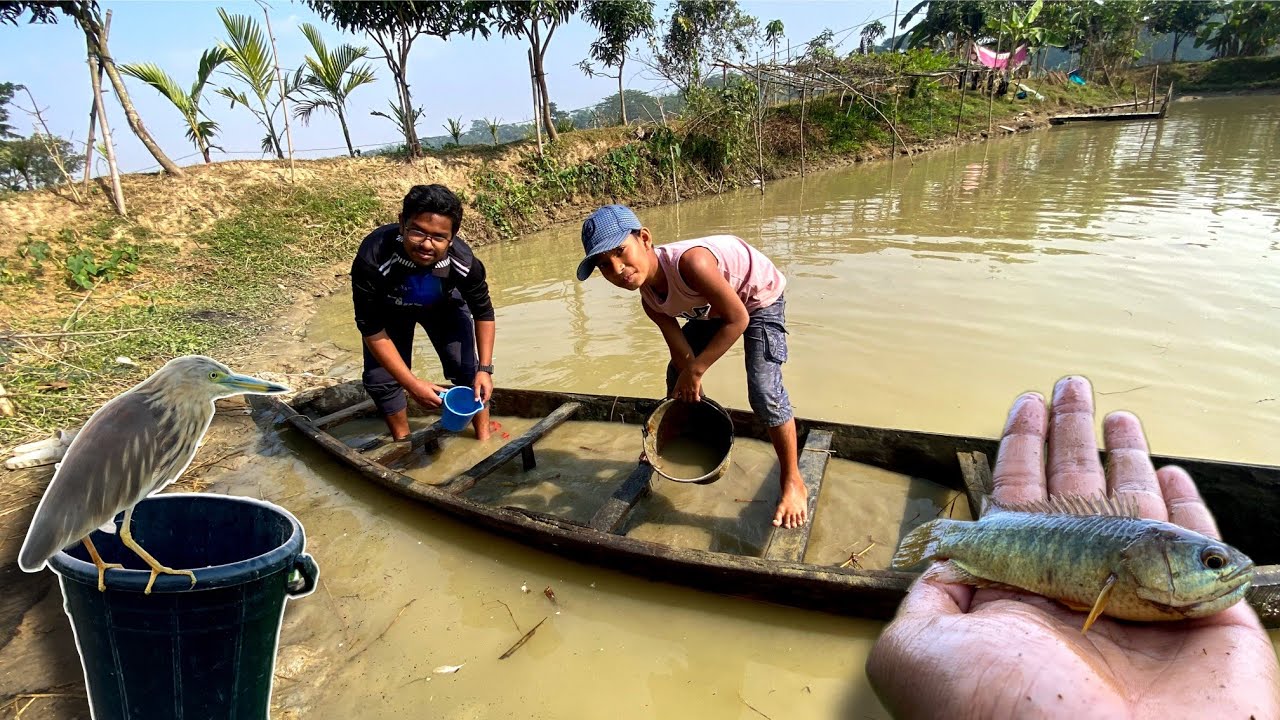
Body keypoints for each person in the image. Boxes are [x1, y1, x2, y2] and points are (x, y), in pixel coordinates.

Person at [866, 375, 1280, 719]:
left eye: (1212, 561)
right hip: (996, 536)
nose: (1223, 570)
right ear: (1154, 554)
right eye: (1211, 561)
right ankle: (950, 537)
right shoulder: (1132, 563)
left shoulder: (1139, 572)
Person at [574, 204, 807, 529]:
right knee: (677, 373)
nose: (617, 268)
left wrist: (697, 371)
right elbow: (682, 356)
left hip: (757, 299)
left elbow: (738, 318)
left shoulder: (691, 263)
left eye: (620, 251)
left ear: (644, 238)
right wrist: (689, 374)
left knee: (764, 391)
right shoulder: (651, 302)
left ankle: (793, 480)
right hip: (714, 308)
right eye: (604, 265)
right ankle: (675, 434)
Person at [351, 184, 496, 441]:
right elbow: (370, 328)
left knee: (468, 371)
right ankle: (403, 442)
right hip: (389, 311)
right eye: (417, 232)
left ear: (452, 237)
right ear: (402, 223)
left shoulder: (463, 261)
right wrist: (412, 384)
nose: (427, 244)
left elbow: (483, 312)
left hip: (443, 307)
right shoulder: (373, 258)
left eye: (439, 237)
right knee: (381, 379)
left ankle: (484, 438)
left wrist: (485, 369)